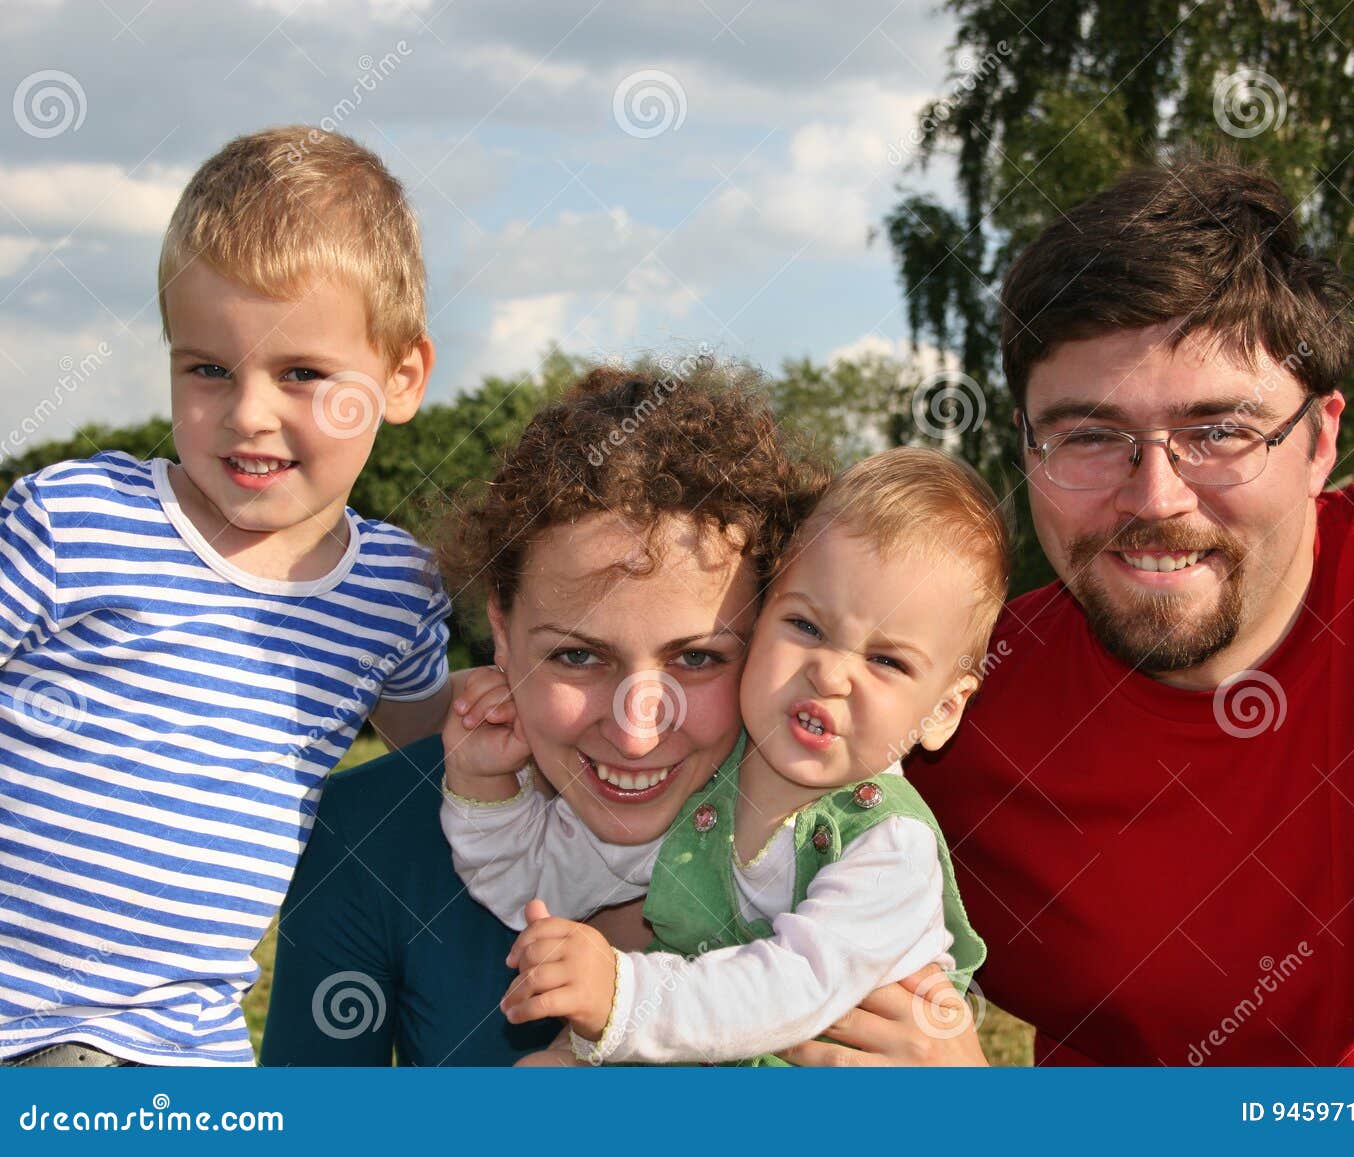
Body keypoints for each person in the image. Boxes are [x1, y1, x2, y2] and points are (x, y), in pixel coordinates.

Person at [911, 153, 1354, 1066]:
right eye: (1089, 436)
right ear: (1028, 453)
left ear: (1321, 439)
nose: (1155, 496)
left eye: (1220, 432)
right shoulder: (945, 700)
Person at [0, 126, 469, 1067]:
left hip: (193, 1047)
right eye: (208, 368)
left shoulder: (395, 590)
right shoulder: (77, 517)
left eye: (301, 373)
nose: (248, 412)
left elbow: (443, 751)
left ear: (403, 376)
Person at [264, 360, 855, 1065]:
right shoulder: (368, 836)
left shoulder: (843, 851)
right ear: (503, 634)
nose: (638, 729)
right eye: (578, 657)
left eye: (697, 658)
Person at [444, 448, 1006, 1065]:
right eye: (807, 627)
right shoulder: (708, 780)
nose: (831, 674)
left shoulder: (888, 844)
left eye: (887, 661)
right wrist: (484, 784)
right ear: (759, 619)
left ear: (943, 711)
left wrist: (622, 995)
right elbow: (533, 880)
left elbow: (792, 989)